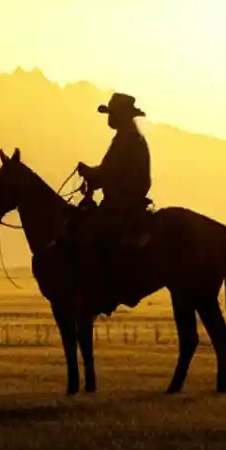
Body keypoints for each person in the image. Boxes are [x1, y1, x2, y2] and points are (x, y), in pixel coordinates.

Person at [72, 92, 152, 309]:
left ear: (122, 115)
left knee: (90, 234)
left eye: (112, 113)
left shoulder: (126, 139)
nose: (109, 117)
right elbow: (111, 171)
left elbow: (110, 172)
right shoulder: (130, 137)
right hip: (127, 199)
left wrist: (90, 173)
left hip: (122, 202)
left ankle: (100, 290)